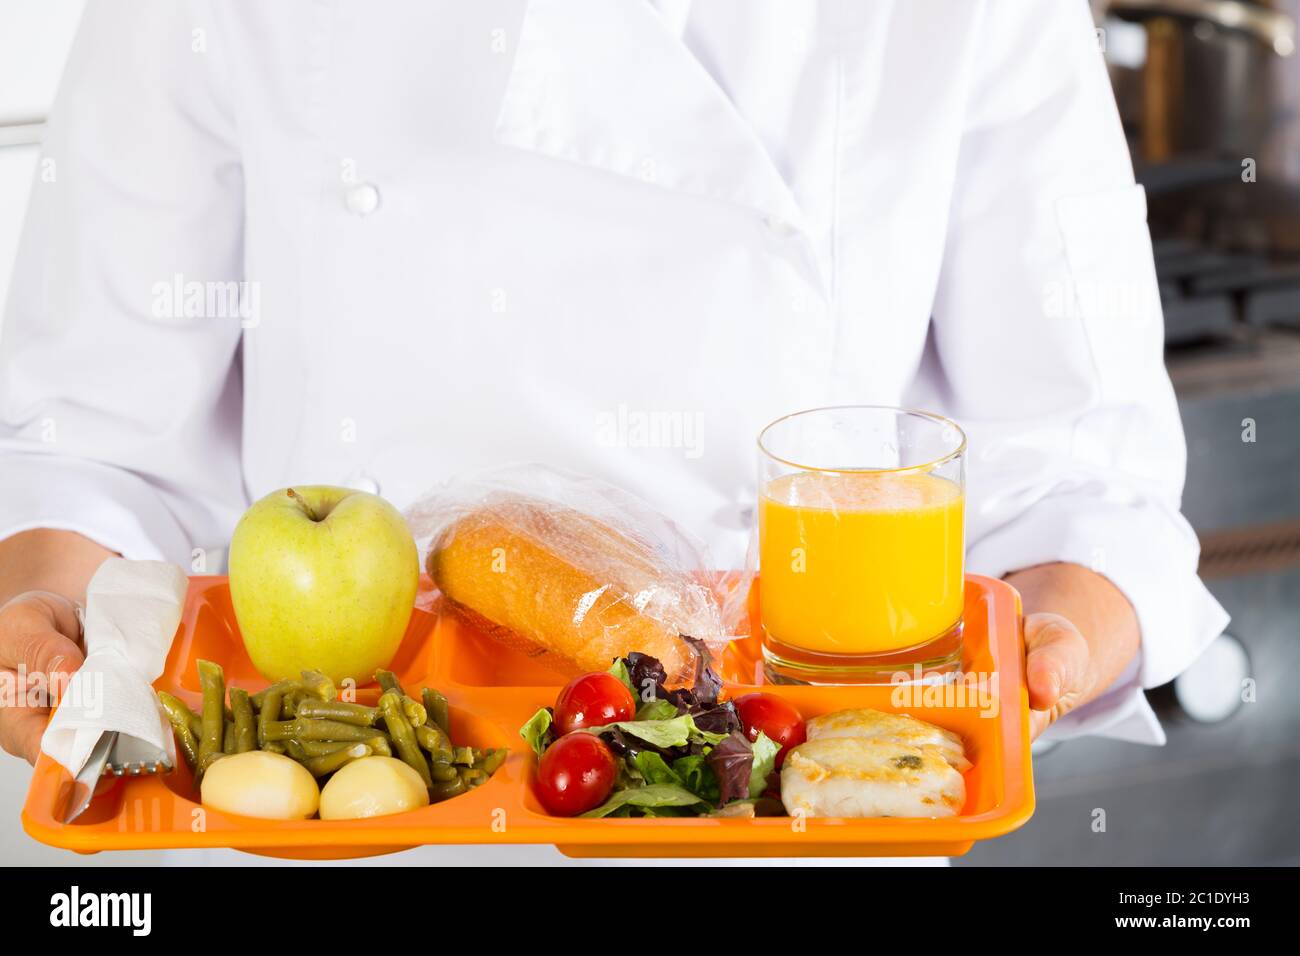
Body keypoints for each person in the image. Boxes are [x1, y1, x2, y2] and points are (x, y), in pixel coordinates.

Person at [0, 0, 1226, 858]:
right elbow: (92, 438)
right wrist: (42, 611)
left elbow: (1077, 471)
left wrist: (1060, 629)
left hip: (778, 816)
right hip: (331, 820)